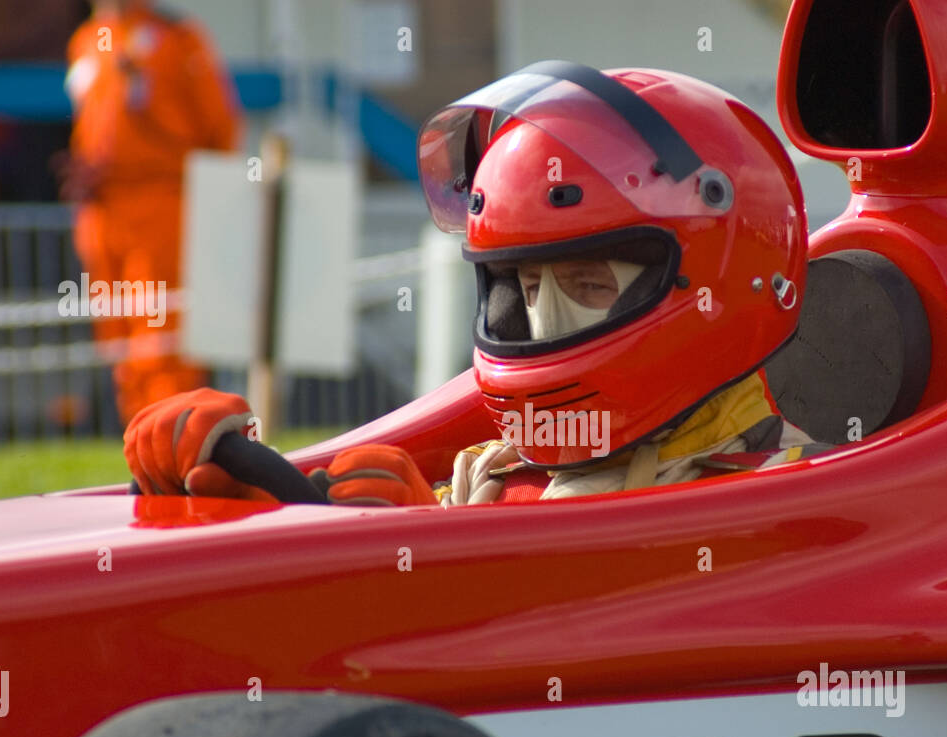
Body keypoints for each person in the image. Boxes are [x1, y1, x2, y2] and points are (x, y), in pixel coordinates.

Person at [124, 63, 831, 505]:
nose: (544, 325)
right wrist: (255, 504)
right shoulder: (489, 478)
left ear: (713, 285)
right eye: (521, 291)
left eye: (587, 283)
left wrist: (425, 565)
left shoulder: (792, 493)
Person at [61, 0, 242, 426]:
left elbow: (220, 128)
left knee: (160, 333)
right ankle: (139, 437)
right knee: (116, 334)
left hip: (160, 204)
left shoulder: (179, 39)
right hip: (101, 211)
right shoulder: (86, 41)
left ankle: (176, 435)